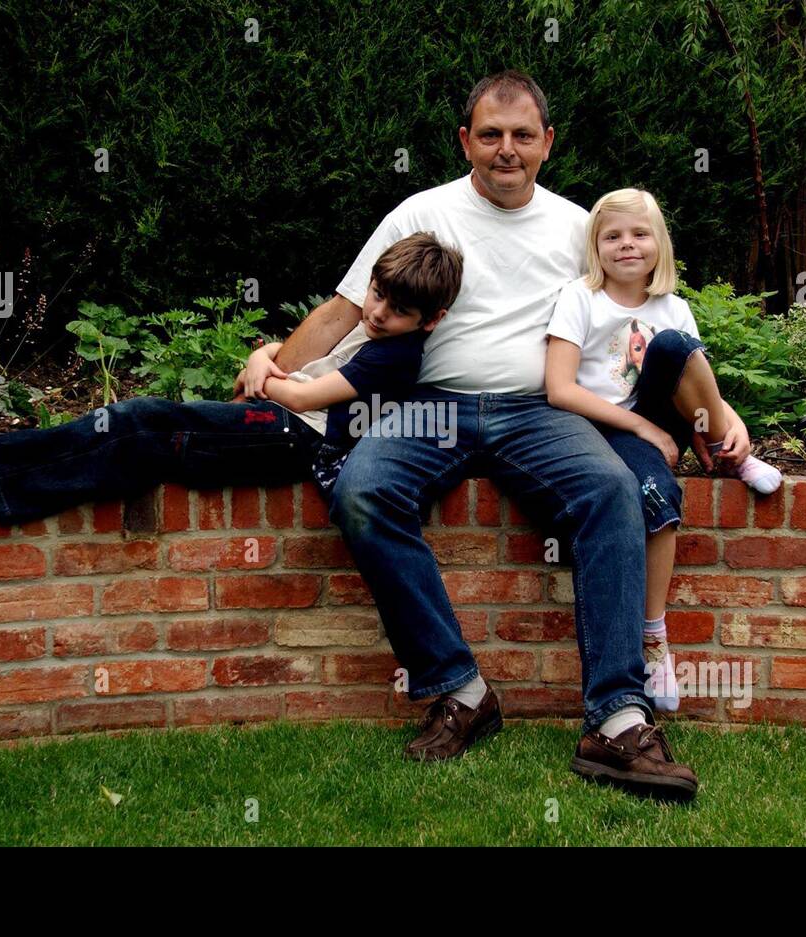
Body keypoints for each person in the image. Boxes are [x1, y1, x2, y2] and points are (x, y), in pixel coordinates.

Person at [240, 71, 699, 801]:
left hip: (540, 411)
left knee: (612, 491)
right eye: (490, 135)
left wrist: (687, 410)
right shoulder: (420, 213)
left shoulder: (578, 228)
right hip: (434, 406)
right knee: (362, 489)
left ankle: (617, 719)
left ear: (548, 143)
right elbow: (344, 311)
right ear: (466, 141)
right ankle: (460, 689)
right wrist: (270, 370)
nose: (506, 150)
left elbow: (632, 316)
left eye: (522, 136)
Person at [0, 232, 461, 521]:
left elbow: (310, 392)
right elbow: (288, 364)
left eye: (398, 310)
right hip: (275, 424)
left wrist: (265, 374)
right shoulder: (375, 327)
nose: (379, 312)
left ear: (429, 320)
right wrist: (264, 357)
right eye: (378, 294)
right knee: (139, 440)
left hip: (293, 438)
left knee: (139, 423)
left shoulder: (397, 355)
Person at [545, 188, 782, 712]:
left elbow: (695, 379)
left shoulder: (672, 307)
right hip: (600, 427)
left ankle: (731, 455)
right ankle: (654, 644)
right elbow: (559, 390)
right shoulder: (579, 299)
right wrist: (645, 431)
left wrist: (734, 421)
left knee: (673, 345)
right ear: (595, 246)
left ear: (659, 244)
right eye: (612, 236)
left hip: (658, 415)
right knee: (655, 494)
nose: (626, 245)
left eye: (639, 234)